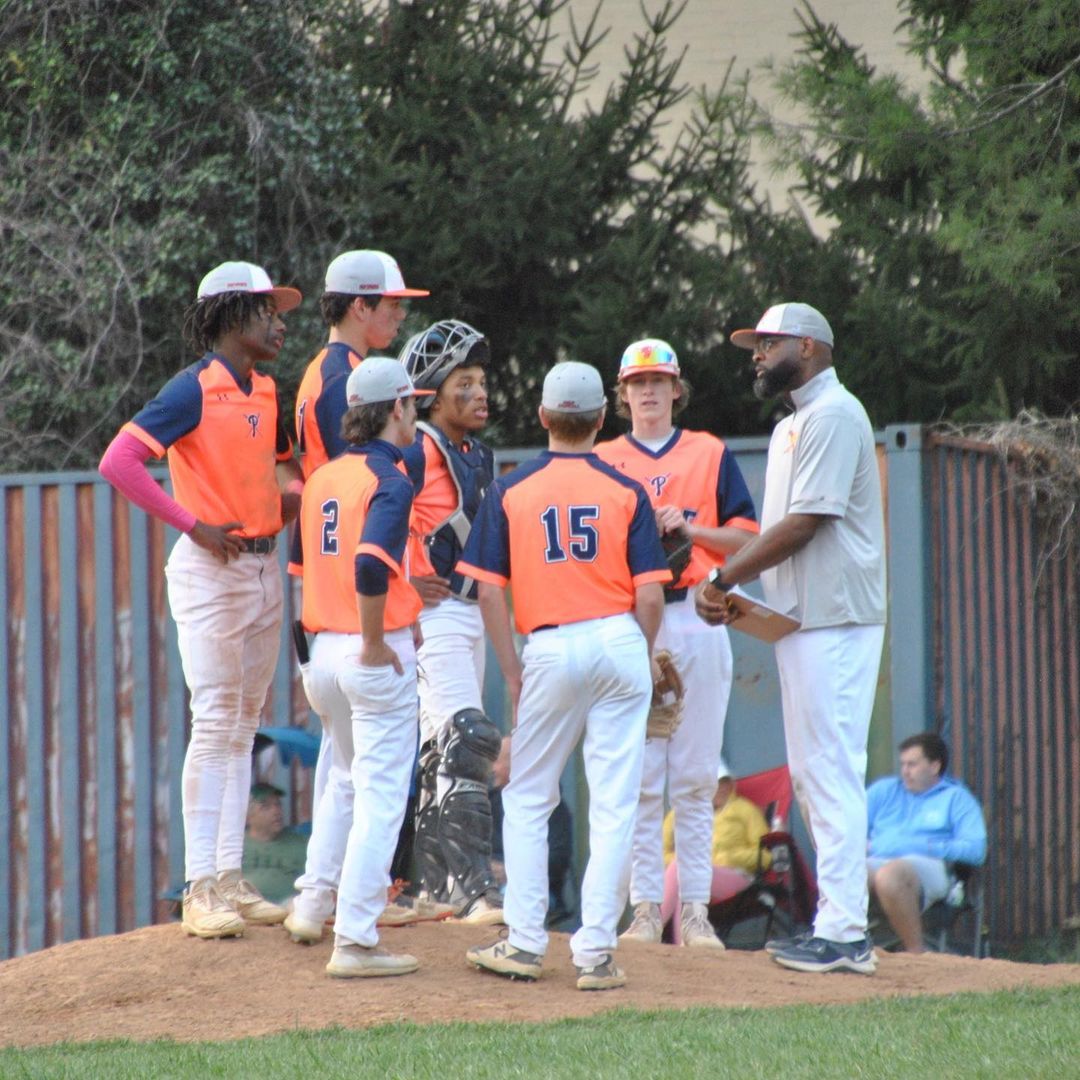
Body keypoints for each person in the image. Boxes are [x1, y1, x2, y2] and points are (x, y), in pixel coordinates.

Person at [99, 260, 304, 939]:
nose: (279, 321)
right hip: (211, 567)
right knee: (217, 724)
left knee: (243, 728)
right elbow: (119, 462)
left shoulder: (266, 389)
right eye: (266, 310)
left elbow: (277, 472)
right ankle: (200, 887)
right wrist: (192, 523)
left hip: (261, 567)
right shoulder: (193, 388)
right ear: (231, 317)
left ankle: (226, 877)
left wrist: (295, 498)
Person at [458, 361, 669, 991]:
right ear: (603, 419)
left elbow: (489, 594)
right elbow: (652, 597)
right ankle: (597, 953)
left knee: (527, 797)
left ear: (545, 417)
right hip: (618, 637)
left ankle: (525, 944)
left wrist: (511, 671)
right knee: (613, 803)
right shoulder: (628, 491)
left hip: (549, 644)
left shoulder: (510, 491)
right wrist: (643, 655)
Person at [696, 302, 886, 975]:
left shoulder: (834, 413)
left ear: (808, 346)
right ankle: (837, 924)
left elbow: (803, 525)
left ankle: (846, 933)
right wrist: (739, 597)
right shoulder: (798, 423)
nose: (755, 354)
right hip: (807, 619)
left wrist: (721, 577)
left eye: (767, 343)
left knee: (831, 767)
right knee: (814, 770)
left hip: (837, 617)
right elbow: (785, 535)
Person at [594, 338, 758, 950]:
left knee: (693, 778)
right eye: (638, 383)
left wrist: (689, 528)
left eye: (659, 381)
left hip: (699, 615)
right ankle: (642, 912)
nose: (649, 392)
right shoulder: (606, 456)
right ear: (623, 393)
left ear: (676, 389)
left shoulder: (709, 452)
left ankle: (693, 913)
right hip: (635, 620)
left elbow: (746, 538)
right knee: (639, 780)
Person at [290, 249, 430, 930]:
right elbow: (370, 563)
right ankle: (356, 925)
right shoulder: (386, 472)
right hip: (364, 638)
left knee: (344, 778)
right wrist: (380, 639)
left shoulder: (322, 477)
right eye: (391, 302)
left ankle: (317, 900)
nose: (399, 312)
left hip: (323, 637)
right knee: (376, 791)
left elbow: (315, 559)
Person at [398, 320, 504, 925]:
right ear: (433, 395)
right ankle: (471, 887)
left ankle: (431, 885)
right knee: (466, 738)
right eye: (466, 382)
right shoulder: (418, 448)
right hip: (432, 613)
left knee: (444, 748)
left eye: (483, 381)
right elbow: (377, 514)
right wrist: (406, 578)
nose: (482, 391)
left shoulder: (475, 453)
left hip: (468, 612)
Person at [867, 733, 987, 953]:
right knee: (846, 870)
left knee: (891, 874)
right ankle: (843, 946)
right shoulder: (883, 791)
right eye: (902, 764)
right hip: (878, 860)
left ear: (934, 766)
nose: (904, 771)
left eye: (912, 764)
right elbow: (849, 830)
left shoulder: (956, 798)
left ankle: (917, 954)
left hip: (930, 866)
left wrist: (923, 846)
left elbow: (976, 850)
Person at [659, 762, 771, 945]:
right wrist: (686, 861)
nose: (718, 789)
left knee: (685, 869)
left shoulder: (745, 810)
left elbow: (766, 855)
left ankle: (655, 925)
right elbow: (661, 851)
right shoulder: (684, 812)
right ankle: (684, 944)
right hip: (692, 873)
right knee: (684, 873)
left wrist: (731, 858)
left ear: (730, 785)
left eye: (722, 782)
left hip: (736, 877)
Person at [242, 783, 310, 905]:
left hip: (291, 911)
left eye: (278, 804)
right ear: (247, 817)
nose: (276, 811)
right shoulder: (235, 846)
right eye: (265, 807)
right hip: (245, 910)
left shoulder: (301, 844)